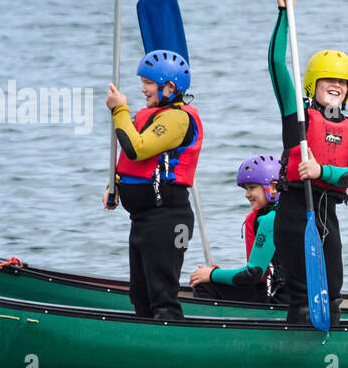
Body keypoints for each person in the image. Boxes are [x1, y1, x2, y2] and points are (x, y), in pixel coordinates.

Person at [268, 0, 348, 325]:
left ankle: (333, 358)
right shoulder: (297, 115)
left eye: (343, 83)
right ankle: (299, 365)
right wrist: (284, 13)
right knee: (302, 295)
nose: (337, 86)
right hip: (296, 211)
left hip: (327, 216)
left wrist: (322, 171)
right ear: (314, 84)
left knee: (333, 293)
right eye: (329, 80)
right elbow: (277, 65)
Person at [103, 49, 202, 320]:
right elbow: (137, 163)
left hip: (168, 219)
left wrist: (119, 109)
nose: (143, 89)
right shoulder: (154, 115)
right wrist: (115, 185)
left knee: (162, 297)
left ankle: (174, 350)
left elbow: (137, 148)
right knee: (141, 296)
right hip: (143, 220)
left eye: (148, 83)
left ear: (170, 87)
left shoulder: (178, 118)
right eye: (143, 82)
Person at [189, 155, 284, 305]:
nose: (247, 194)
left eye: (252, 188)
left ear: (273, 187)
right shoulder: (286, 213)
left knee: (205, 286)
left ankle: (211, 327)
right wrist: (220, 275)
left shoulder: (269, 220)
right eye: (246, 189)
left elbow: (254, 275)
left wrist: (213, 275)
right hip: (283, 293)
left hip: (279, 299)